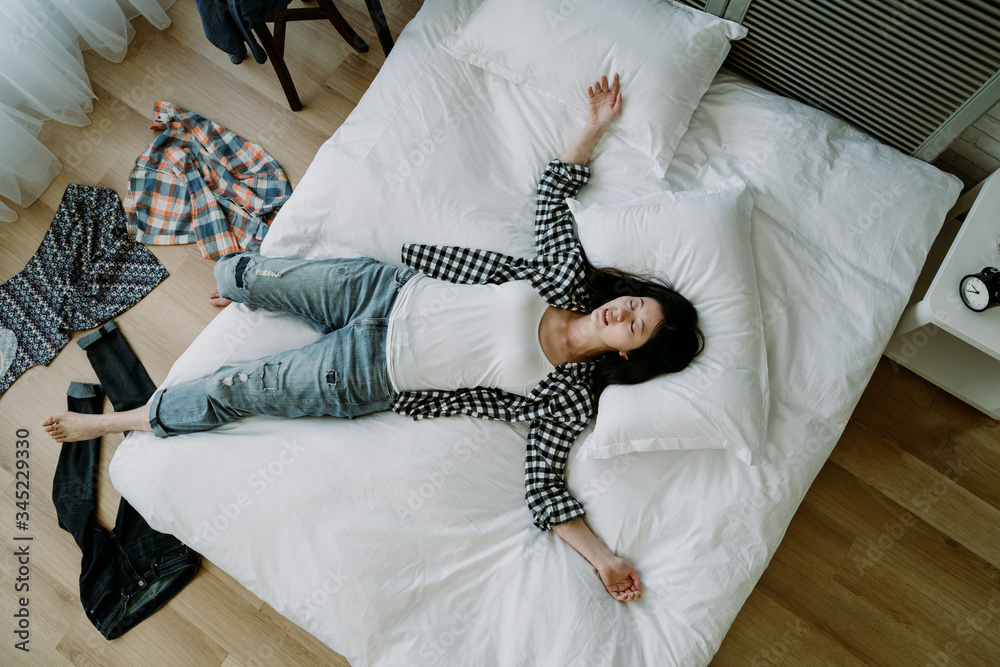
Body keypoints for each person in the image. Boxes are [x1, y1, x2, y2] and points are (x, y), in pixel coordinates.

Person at [43, 74, 703, 602]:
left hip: (365, 370)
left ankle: (120, 421)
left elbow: (544, 488)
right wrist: (593, 127)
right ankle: (244, 288)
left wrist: (603, 558)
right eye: (634, 303)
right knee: (239, 273)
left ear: (629, 352)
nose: (623, 312)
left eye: (636, 325)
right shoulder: (567, 276)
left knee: (237, 389)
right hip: (379, 289)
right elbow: (551, 195)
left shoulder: (569, 399)